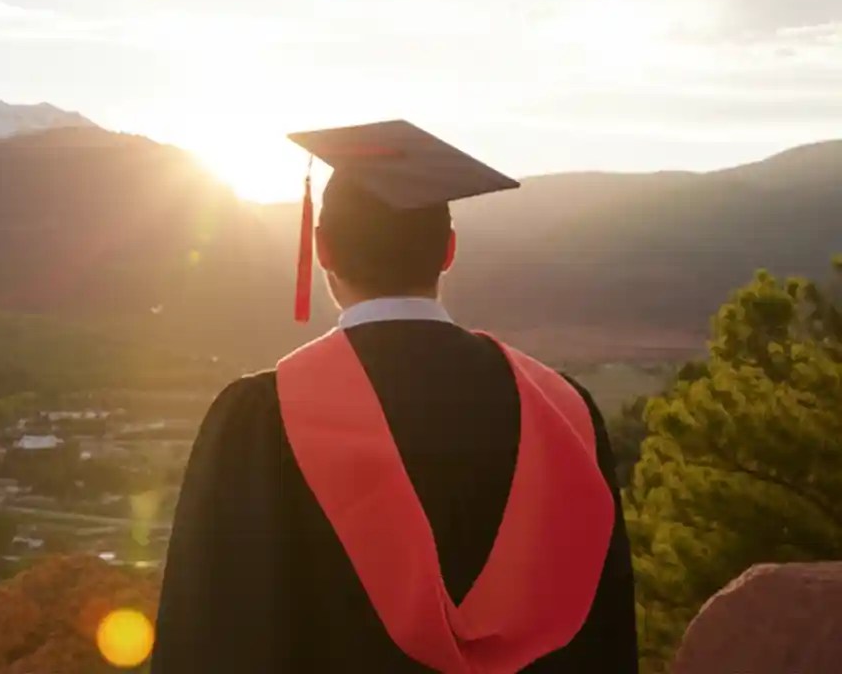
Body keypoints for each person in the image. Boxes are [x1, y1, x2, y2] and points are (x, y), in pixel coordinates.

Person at [152, 121, 637, 673]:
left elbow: (211, 636)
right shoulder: (562, 413)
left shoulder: (263, 419)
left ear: (323, 249)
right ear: (449, 251)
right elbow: (608, 639)